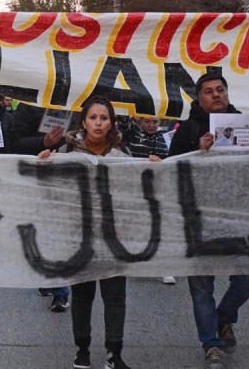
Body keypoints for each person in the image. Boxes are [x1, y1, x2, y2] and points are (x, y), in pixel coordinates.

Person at [167, 72, 249, 369]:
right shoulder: (187, 129)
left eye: (220, 90)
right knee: (201, 286)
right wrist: (196, 151)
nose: (216, 95)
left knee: (248, 278)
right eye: (209, 91)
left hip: (239, 217)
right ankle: (211, 343)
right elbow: (171, 169)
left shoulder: (245, 125)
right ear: (199, 98)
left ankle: (224, 317)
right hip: (198, 219)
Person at [37, 96, 136, 369]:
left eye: (104, 118)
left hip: (114, 239)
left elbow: (135, 193)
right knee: (82, 296)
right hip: (79, 239)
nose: (99, 123)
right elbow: (51, 192)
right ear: (83, 122)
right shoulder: (67, 156)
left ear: (111, 123)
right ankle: (82, 350)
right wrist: (44, 162)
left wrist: (151, 166)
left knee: (115, 297)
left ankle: (114, 354)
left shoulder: (122, 158)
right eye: (93, 117)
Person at [11, 102, 79, 311]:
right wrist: (44, 142)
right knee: (43, 232)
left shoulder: (76, 103)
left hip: (68, 177)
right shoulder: (28, 105)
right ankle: (48, 275)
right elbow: (14, 143)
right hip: (36, 178)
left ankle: (60, 291)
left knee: (58, 233)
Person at [121, 115, 174, 284]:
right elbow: (122, 120)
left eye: (155, 122)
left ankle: (164, 268)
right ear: (139, 121)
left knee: (161, 228)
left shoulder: (165, 137)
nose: (151, 125)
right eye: (147, 121)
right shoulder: (133, 133)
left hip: (159, 188)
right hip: (135, 187)